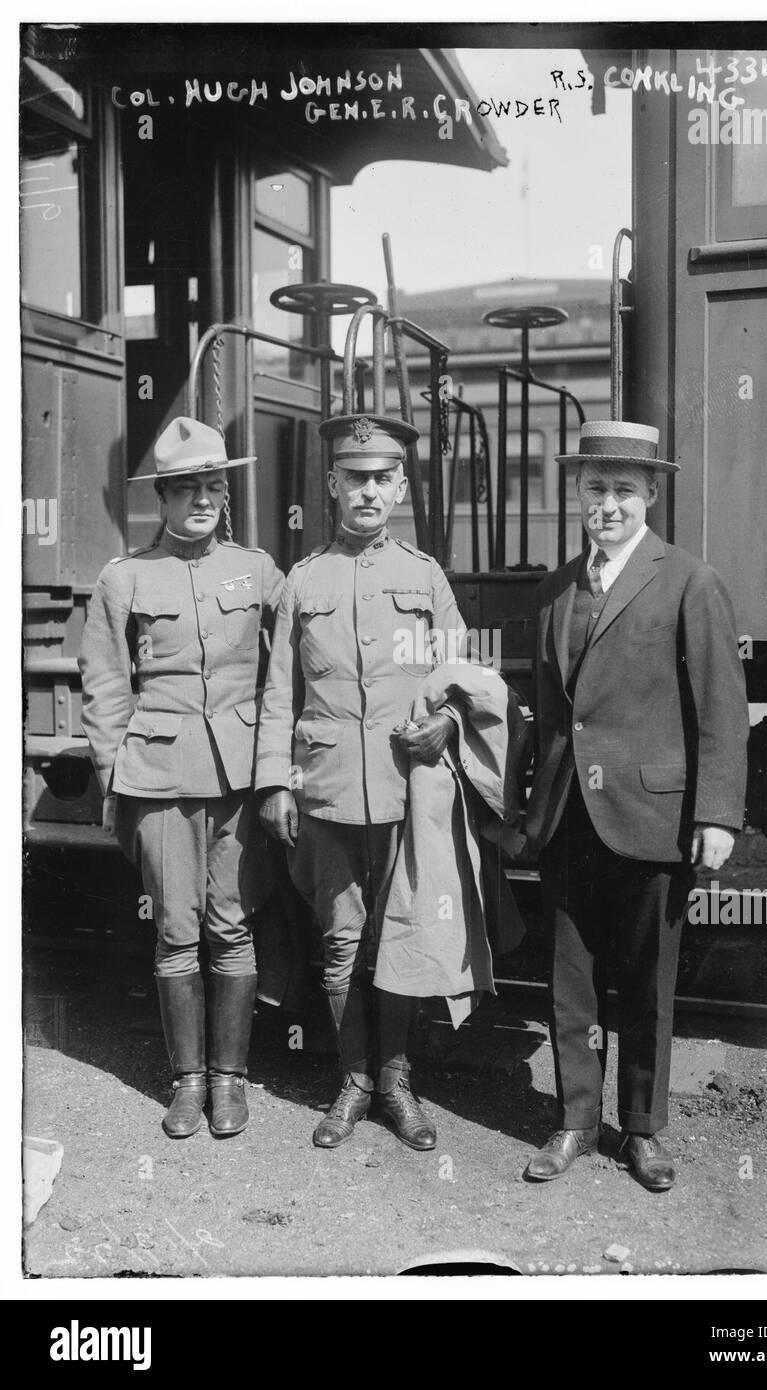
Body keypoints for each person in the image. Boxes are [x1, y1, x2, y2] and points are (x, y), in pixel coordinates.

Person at [524, 420, 749, 1191]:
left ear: (650, 493)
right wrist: (529, 809)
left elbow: (721, 706)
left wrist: (716, 815)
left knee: (649, 983)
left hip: (653, 819)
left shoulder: (688, 579)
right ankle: (577, 1121)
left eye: (623, 489)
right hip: (567, 820)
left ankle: (643, 1131)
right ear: (578, 494)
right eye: (596, 489)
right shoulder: (556, 589)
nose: (608, 504)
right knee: (571, 982)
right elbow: (552, 713)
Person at [256, 411, 465, 1151]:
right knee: (341, 941)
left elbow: (461, 680)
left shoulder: (425, 577)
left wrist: (449, 724)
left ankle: (399, 1085)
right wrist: (275, 785)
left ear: (401, 485)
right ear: (332, 487)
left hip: (407, 792)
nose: (368, 491)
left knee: (400, 939)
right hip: (325, 790)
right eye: (355, 479)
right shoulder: (302, 581)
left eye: (382, 478)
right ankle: (354, 1082)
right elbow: (277, 693)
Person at [78, 417, 284, 1140]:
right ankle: (188, 1083)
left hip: (237, 775)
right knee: (175, 931)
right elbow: (104, 683)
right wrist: (117, 776)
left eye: (213, 486)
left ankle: (230, 1080)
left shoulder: (257, 570)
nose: (202, 499)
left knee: (232, 923)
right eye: (187, 488)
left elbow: (293, 660)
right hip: (159, 776)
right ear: (161, 497)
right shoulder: (126, 577)